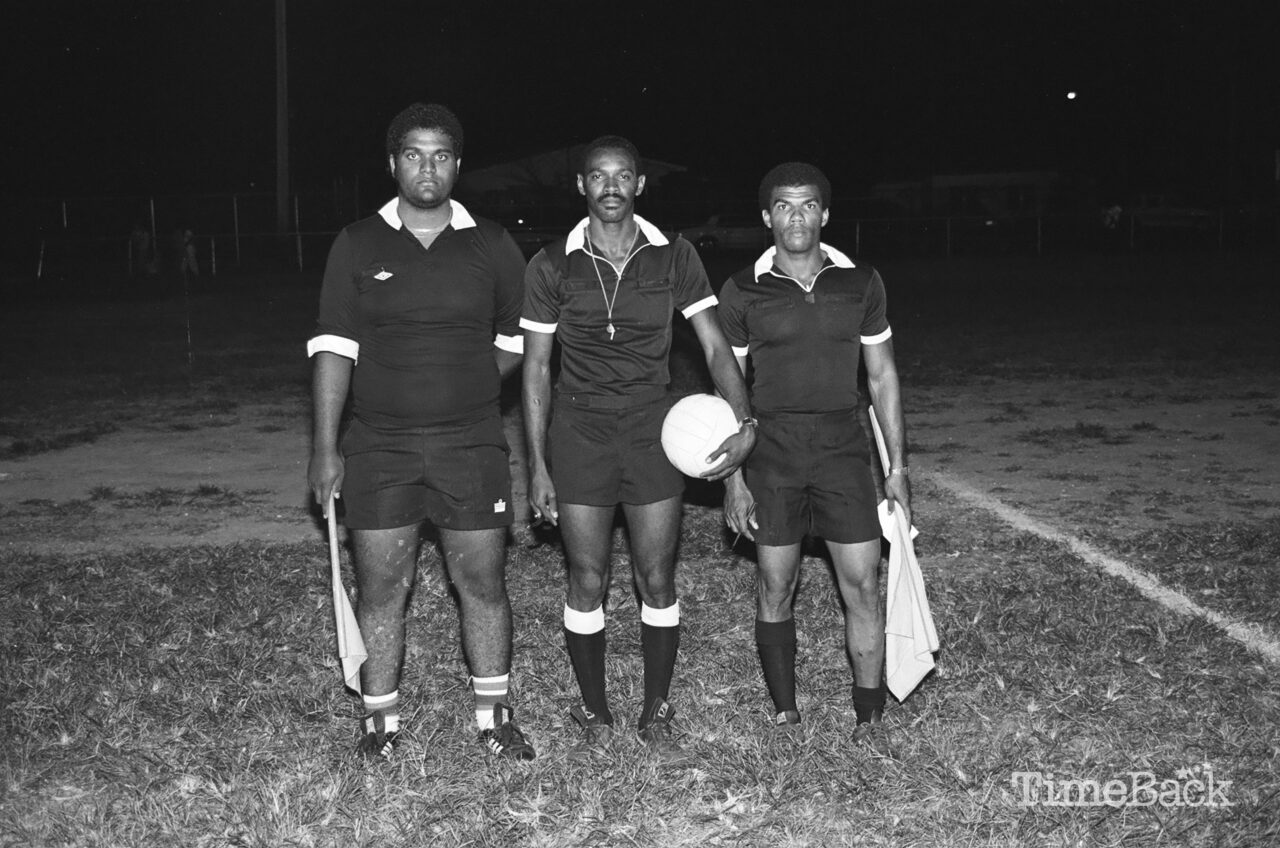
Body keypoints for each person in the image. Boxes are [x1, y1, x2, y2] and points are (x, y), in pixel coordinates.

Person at [307, 103, 534, 762]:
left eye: (440, 155)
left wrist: (469, 381)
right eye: (413, 154)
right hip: (379, 444)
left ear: (458, 165)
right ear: (392, 163)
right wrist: (324, 447)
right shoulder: (357, 242)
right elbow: (333, 347)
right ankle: (379, 723)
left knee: (482, 582)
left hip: (471, 442)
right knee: (383, 587)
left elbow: (520, 336)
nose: (427, 168)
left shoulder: (491, 243)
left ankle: (494, 718)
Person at [521, 136, 756, 760]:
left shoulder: (674, 254)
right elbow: (536, 368)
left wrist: (745, 421)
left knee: (655, 575)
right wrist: (537, 464)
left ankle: (657, 709)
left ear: (640, 184)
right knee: (587, 575)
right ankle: (594, 712)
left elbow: (715, 347)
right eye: (598, 176)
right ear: (581, 185)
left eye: (622, 175)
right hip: (580, 429)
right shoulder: (550, 263)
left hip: (654, 427)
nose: (611, 187)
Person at [717, 162, 912, 752]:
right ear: (766, 216)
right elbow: (730, 390)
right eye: (783, 205)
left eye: (807, 205)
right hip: (771, 453)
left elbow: (881, 378)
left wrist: (897, 469)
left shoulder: (861, 282)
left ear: (825, 214)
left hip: (842, 452)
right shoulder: (742, 290)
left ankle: (869, 717)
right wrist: (732, 478)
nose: (796, 217)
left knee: (863, 585)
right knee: (775, 584)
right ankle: (785, 713)